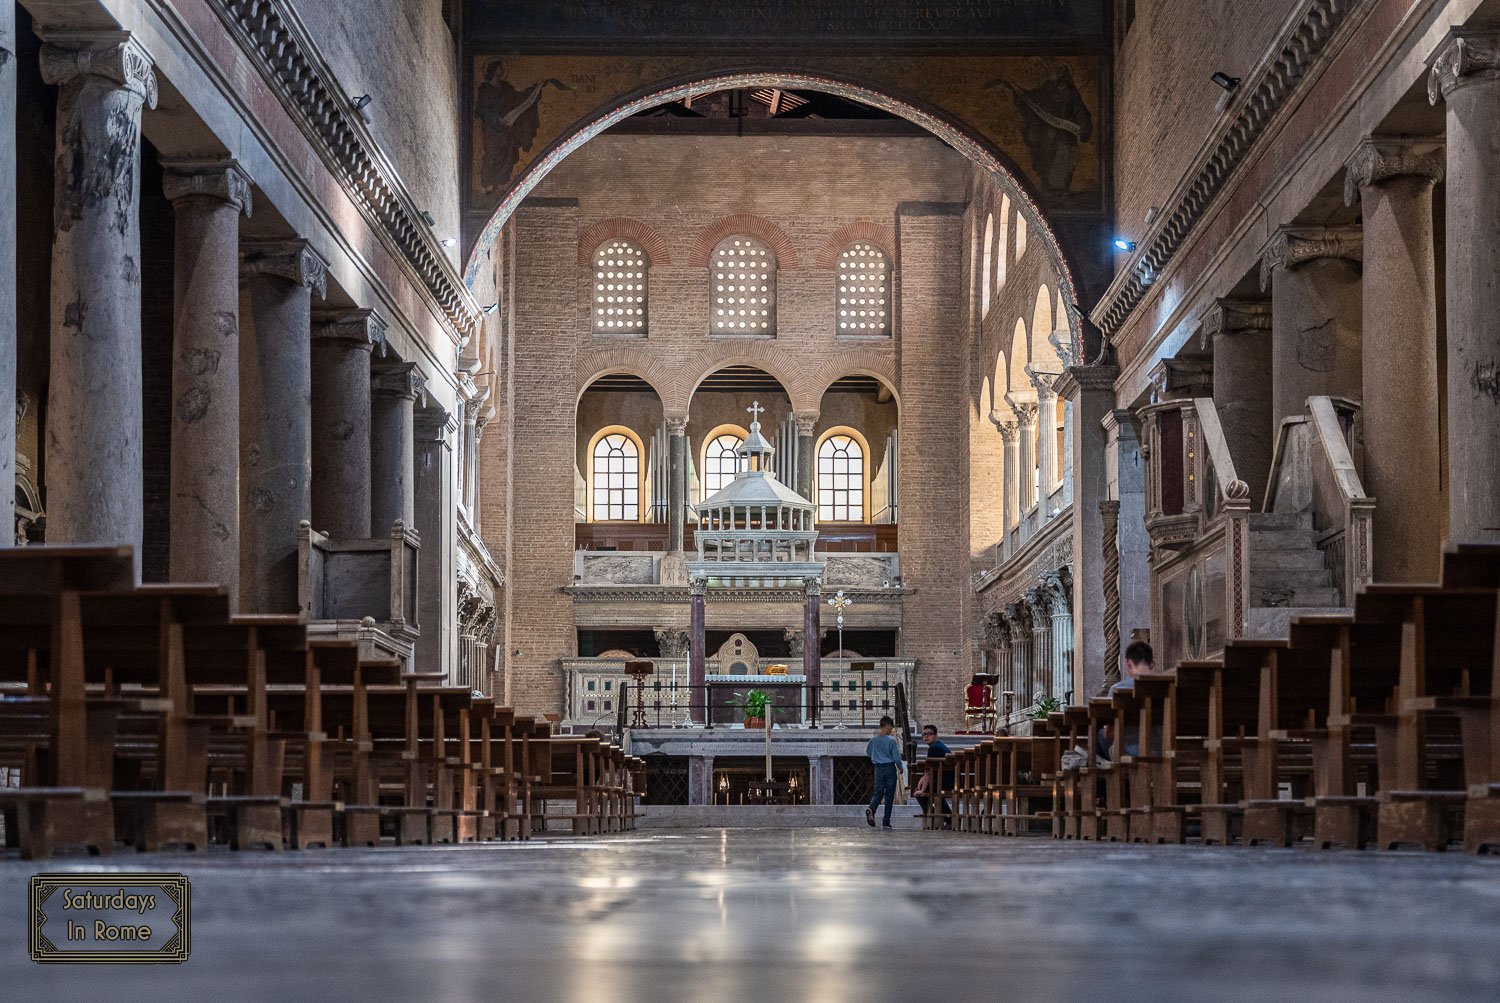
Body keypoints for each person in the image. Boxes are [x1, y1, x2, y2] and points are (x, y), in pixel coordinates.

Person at [1099, 640, 1156, 761]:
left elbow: (1109, 734)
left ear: (1128, 664)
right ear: (1152, 664)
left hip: (1131, 751)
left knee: (1099, 735)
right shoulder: (1166, 687)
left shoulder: (1118, 690)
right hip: (1162, 750)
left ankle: (1113, 772)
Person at [865, 716, 907, 829]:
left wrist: (877, 756)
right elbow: (896, 758)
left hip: (878, 768)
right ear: (887, 725)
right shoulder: (891, 740)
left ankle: (871, 809)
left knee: (878, 792)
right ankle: (886, 821)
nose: (891, 730)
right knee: (889, 795)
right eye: (891, 728)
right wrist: (900, 767)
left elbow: (868, 753)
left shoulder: (873, 740)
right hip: (889, 768)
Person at [912, 725, 954, 829]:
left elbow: (928, 771)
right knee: (929, 791)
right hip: (948, 781)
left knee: (918, 793)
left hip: (944, 782)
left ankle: (935, 816)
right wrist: (923, 780)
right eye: (924, 734)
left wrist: (922, 790)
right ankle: (947, 818)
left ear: (935, 735)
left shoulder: (934, 748)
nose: (926, 736)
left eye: (929, 734)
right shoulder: (938, 746)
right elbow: (930, 769)